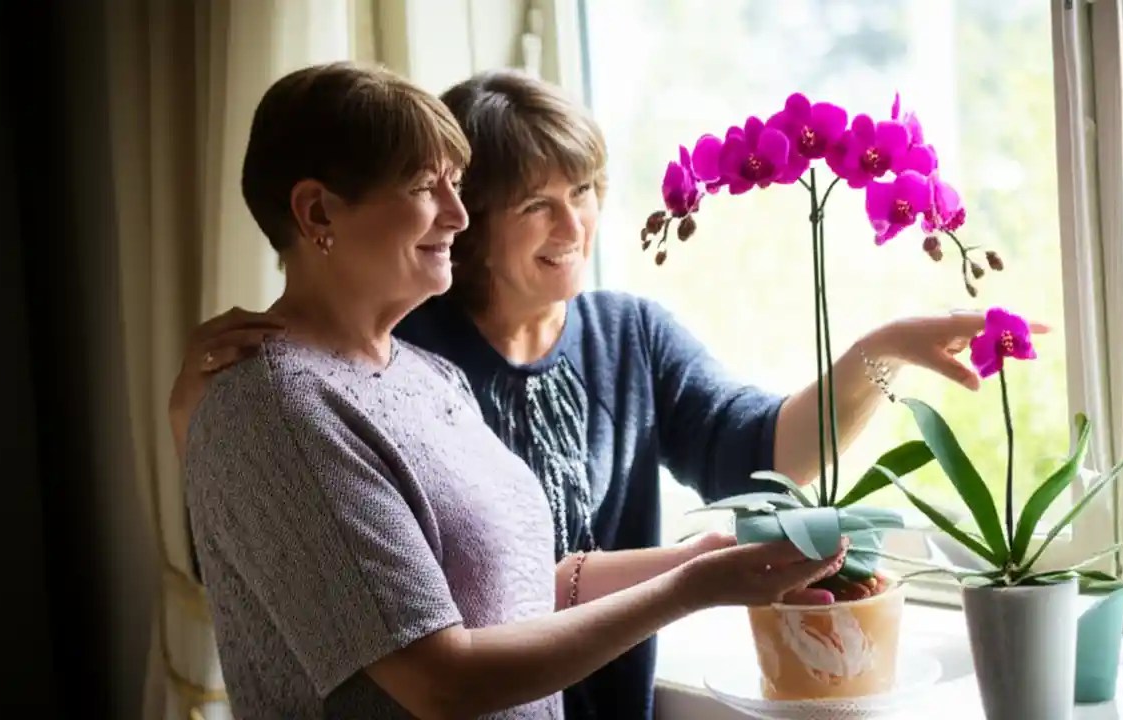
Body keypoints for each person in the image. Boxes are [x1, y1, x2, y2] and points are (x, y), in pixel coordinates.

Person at [173, 69, 1020, 719]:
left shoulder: (421, 374)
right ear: (316, 211)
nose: (456, 217)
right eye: (426, 190)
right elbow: (437, 678)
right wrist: (690, 591)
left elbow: (526, 582)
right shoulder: (283, 404)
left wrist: (701, 560)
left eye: (457, 187)